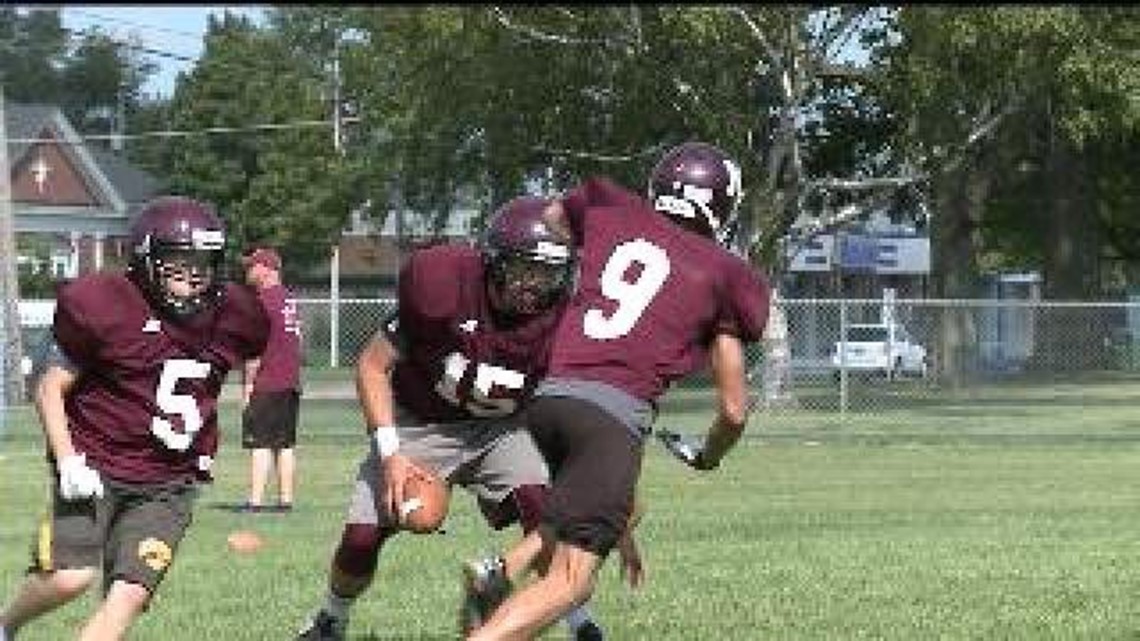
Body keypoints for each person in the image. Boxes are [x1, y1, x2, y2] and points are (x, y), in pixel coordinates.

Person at [462, 141, 772, 641]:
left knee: (577, 533)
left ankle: (496, 577)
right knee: (570, 582)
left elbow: (555, 217)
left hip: (546, 399)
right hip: (608, 416)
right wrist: (709, 455)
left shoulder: (610, 204)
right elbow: (734, 411)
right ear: (723, 205)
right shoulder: (726, 273)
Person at [295, 196, 640, 641]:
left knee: (546, 510)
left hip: (506, 427)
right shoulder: (444, 287)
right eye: (523, 269)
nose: (534, 286)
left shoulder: (568, 320)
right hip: (421, 419)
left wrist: (604, 500)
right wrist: (390, 453)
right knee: (363, 538)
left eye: (548, 272)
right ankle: (330, 618)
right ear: (493, 262)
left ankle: (580, 622)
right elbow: (371, 366)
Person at [0, 196, 269, 641]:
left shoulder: (234, 313)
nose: (193, 272)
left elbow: (249, 356)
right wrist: (67, 461)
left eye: (203, 260)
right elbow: (50, 387)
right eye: (178, 260)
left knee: (129, 596)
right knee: (70, 578)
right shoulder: (105, 304)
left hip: (168, 482)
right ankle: (6, 624)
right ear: (145, 260)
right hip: (95, 464)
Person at [240, 246, 303, 512]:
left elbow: (254, 351)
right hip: (290, 381)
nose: (247, 270)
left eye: (251, 266)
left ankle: (254, 502)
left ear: (265, 269)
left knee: (261, 444)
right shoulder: (288, 299)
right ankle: (285, 500)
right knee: (284, 445)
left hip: (268, 381)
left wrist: (248, 386)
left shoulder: (261, 302)